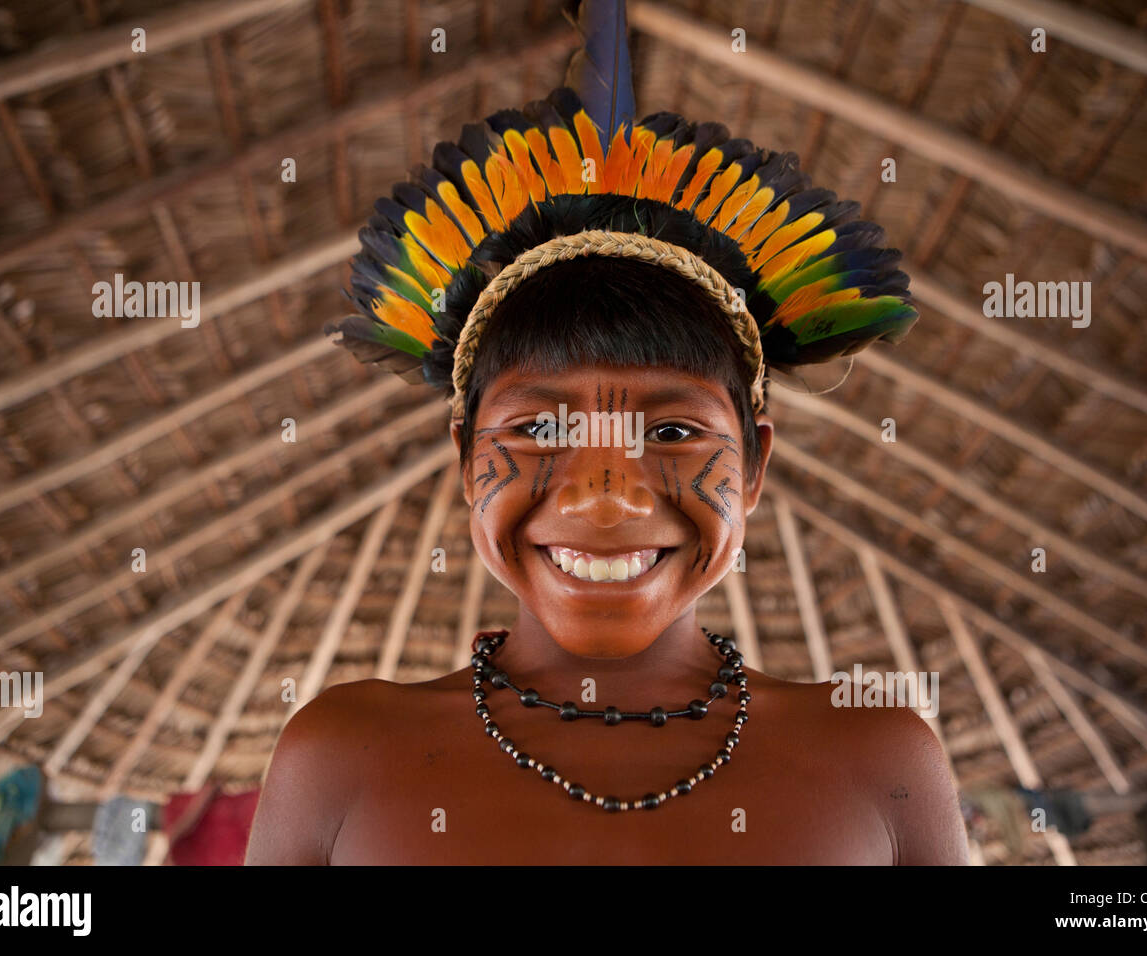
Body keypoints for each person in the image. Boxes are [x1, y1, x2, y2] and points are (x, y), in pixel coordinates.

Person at [246, 55, 968, 863]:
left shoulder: (881, 760)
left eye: (670, 435)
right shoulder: (339, 756)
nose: (606, 500)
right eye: (540, 431)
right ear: (462, 457)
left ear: (755, 467)